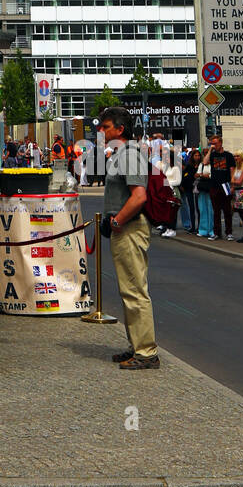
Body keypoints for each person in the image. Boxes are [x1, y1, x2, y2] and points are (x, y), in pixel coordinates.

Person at [97, 105, 159, 370]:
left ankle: (146, 353)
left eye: (106, 126)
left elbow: (139, 196)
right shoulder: (120, 154)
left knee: (135, 290)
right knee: (128, 289)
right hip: (125, 226)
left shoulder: (129, 155)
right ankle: (137, 346)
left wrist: (117, 220)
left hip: (130, 228)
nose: (101, 130)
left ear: (120, 129)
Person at [202, 134, 235, 240]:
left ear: (220, 143)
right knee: (216, 211)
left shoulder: (228, 156)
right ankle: (217, 233)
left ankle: (229, 232)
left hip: (225, 185)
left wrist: (232, 185)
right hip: (214, 185)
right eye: (212, 144)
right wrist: (210, 150)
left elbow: (232, 171)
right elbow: (205, 162)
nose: (214, 145)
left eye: (215, 143)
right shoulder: (212, 155)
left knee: (227, 210)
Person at [157, 149, 182, 237]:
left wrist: (166, 183)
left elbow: (178, 181)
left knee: (173, 212)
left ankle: (173, 229)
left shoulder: (176, 168)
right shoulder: (165, 167)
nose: (166, 159)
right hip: (166, 192)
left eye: (168, 157)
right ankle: (167, 228)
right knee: (166, 212)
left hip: (174, 192)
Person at [179, 146, 200, 232]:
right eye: (195, 156)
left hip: (198, 189)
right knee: (191, 208)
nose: (197, 157)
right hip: (189, 188)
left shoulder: (200, 165)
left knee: (198, 209)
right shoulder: (189, 166)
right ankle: (192, 227)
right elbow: (184, 176)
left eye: (198, 155)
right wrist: (182, 186)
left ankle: (199, 226)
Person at [195, 149, 214, 238]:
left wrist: (203, 175)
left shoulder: (213, 164)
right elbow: (197, 175)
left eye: (208, 153)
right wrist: (203, 175)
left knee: (211, 210)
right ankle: (203, 230)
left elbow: (212, 175)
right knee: (202, 209)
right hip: (202, 188)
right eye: (205, 153)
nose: (206, 155)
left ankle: (212, 230)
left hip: (211, 188)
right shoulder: (201, 164)